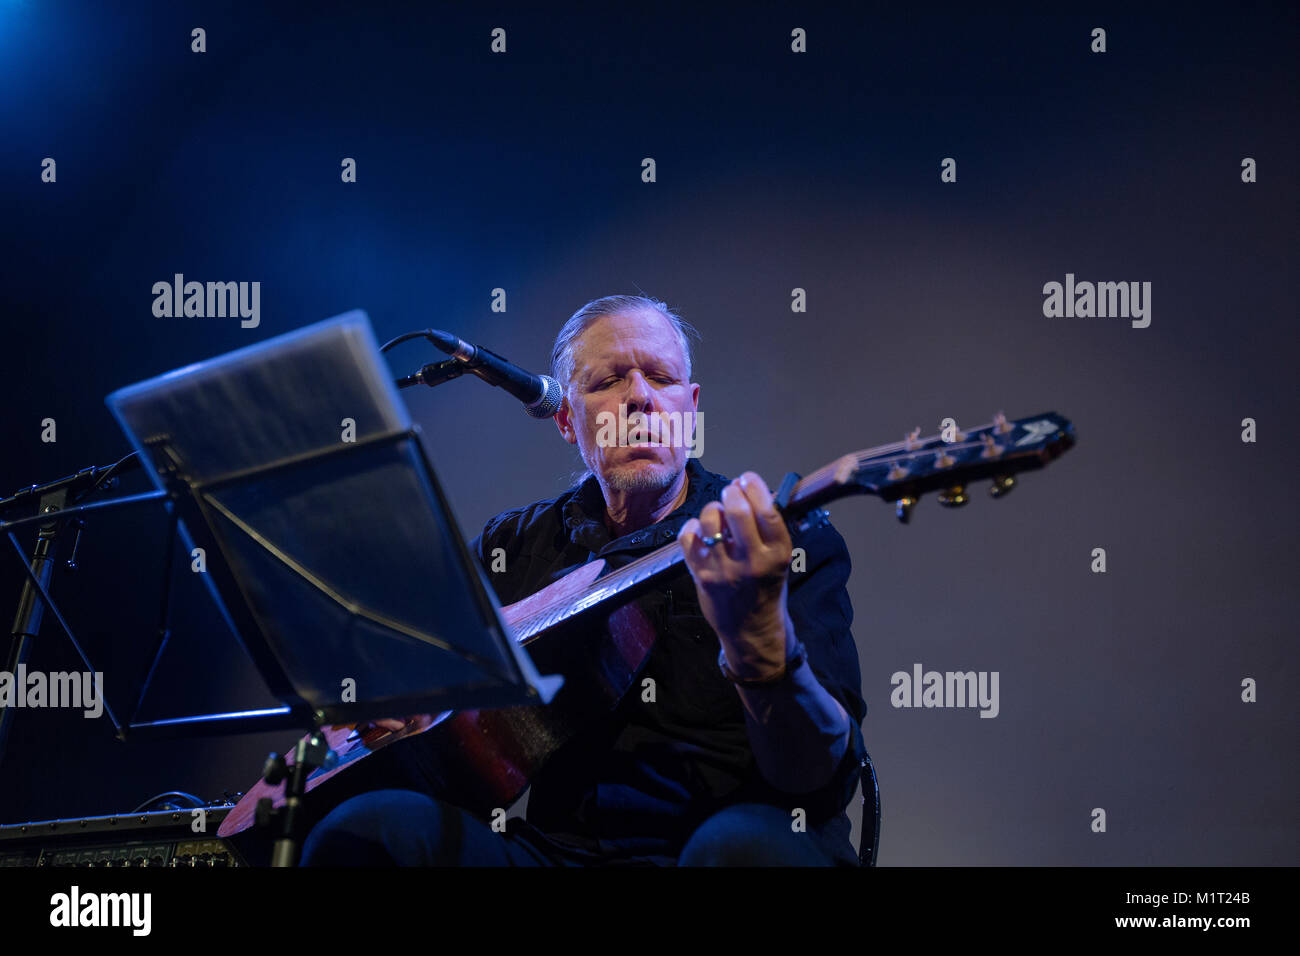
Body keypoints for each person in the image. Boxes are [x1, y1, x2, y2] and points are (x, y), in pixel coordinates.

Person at [300, 295, 867, 866]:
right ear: (568, 419)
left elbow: (822, 778)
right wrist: (393, 697)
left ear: (691, 408)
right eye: (608, 382)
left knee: (742, 851)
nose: (640, 397)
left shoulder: (783, 540)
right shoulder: (515, 547)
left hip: (723, 846)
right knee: (370, 831)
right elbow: (401, 665)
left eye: (662, 377)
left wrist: (761, 641)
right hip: (558, 855)